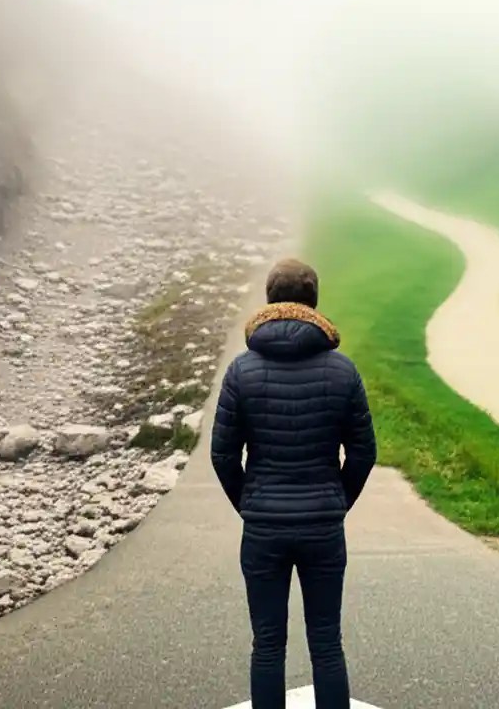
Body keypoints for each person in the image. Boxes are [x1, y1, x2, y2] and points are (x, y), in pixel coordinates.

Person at [211, 258, 377, 709]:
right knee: (326, 643)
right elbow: (363, 452)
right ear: (314, 301)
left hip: (263, 528)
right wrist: (337, 500)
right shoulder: (343, 371)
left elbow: (223, 454)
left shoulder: (240, 372)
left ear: (269, 300)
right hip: (323, 526)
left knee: (267, 645)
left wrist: (250, 502)